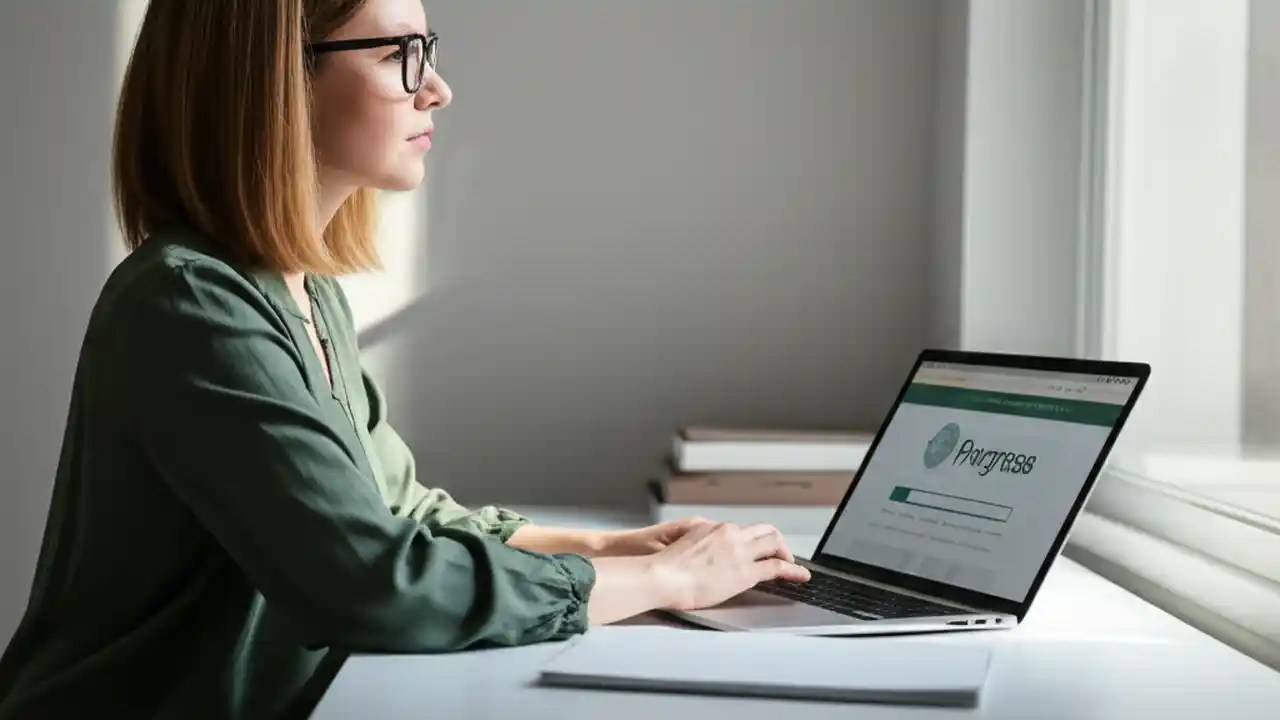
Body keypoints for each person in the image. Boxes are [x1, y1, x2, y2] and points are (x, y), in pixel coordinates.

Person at [0, 0, 811, 717]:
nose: (438, 89)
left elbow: (399, 515)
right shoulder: (189, 306)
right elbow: (373, 587)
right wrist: (669, 585)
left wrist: (619, 547)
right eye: (398, 55)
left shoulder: (301, 293)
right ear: (275, 77)